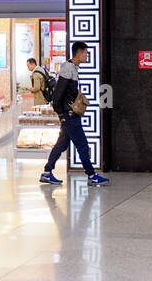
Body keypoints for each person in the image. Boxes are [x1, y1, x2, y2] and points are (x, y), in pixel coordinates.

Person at [41, 41, 107, 186]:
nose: (87, 55)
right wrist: (61, 113)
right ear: (79, 53)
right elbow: (59, 93)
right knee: (82, 144)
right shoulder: (68, 68)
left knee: (62, 144)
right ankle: (91, 175)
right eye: (85, 53)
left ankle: (46, 172)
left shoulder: (73, 67)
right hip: (69, 115)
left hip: (69, 114)